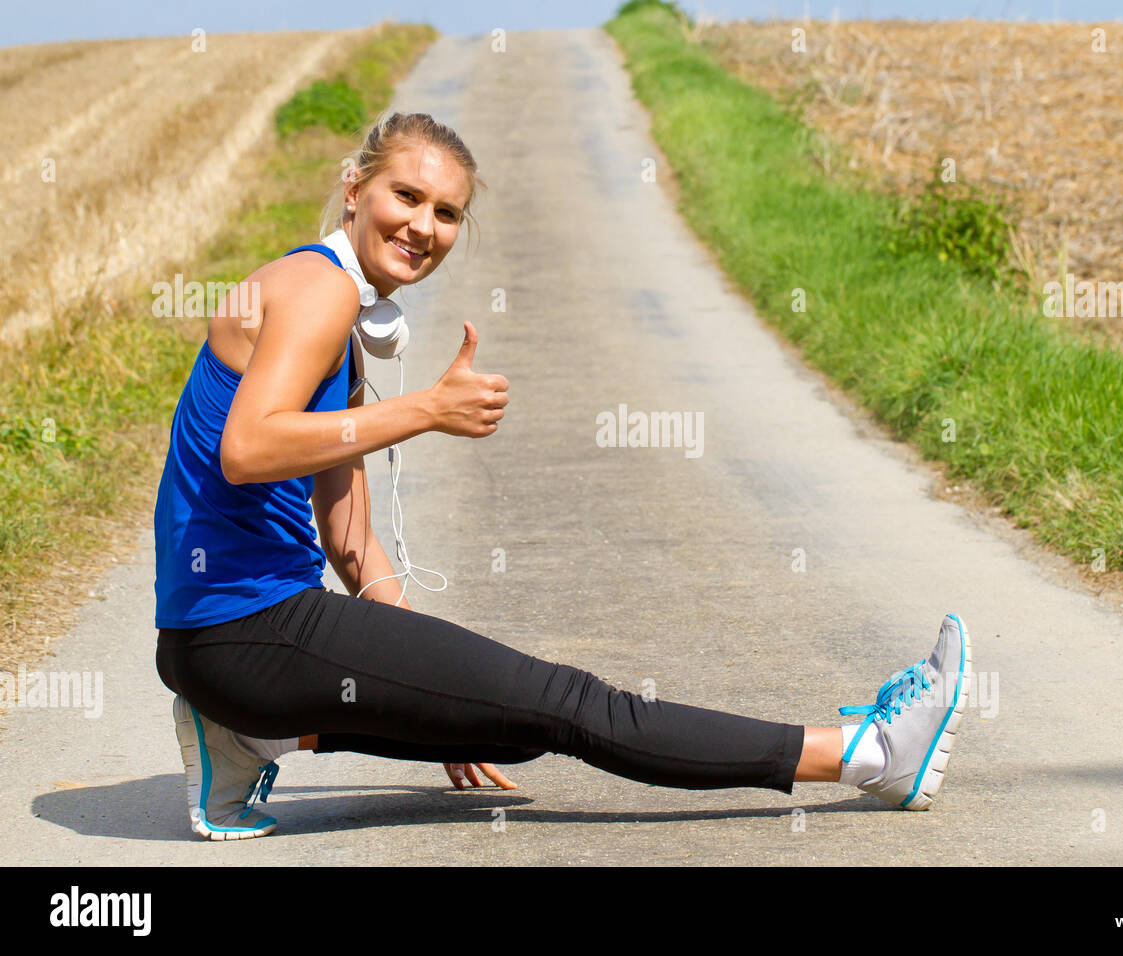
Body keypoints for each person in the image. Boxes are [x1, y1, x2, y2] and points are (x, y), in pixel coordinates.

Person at [153, 109, 973, 840]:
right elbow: (248, 448)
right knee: (572, 704)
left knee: (507, 729)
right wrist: (429, 410)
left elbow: (347, 534)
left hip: (221, 651)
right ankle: (868, 755)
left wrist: (423, 687)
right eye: (405, 197)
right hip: (245, 632)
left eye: (446, 213)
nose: (423, 226)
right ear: (354, 188)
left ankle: (243, 733)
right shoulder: (318, 290)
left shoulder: (338, 318)